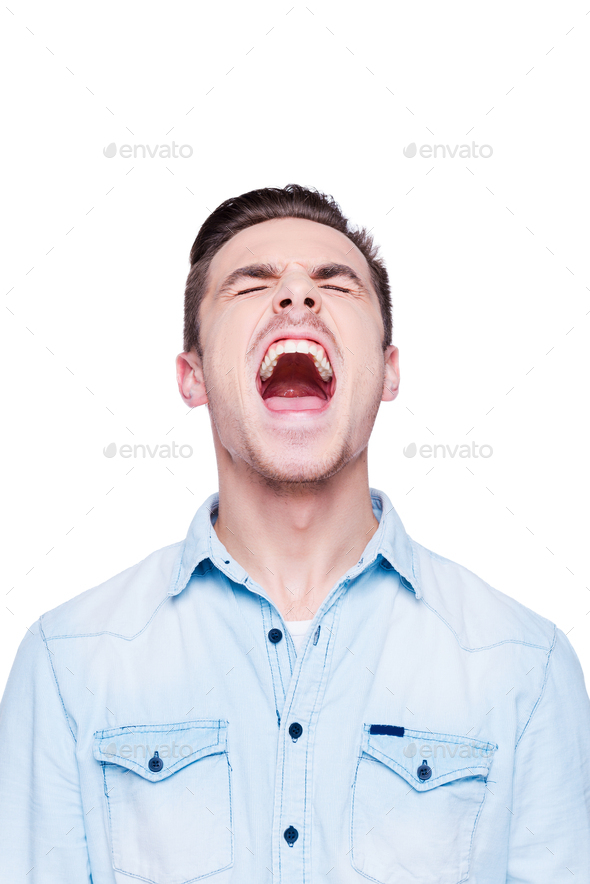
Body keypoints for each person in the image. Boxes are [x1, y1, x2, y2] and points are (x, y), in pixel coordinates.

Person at [1, 184, 588, 884]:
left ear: (389, 372)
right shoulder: (68, 665)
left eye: (336, 284)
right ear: (192, 378)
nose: (297, 298)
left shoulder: (526, 666)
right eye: (252, 283)